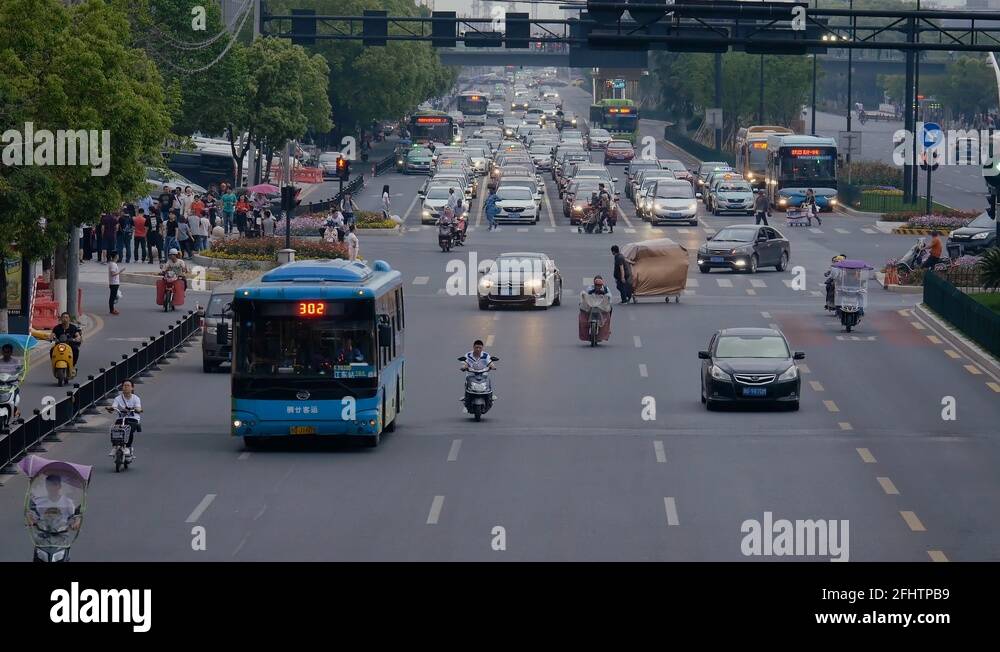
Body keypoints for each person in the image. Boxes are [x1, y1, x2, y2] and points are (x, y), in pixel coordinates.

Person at [106, 379, 142, 456]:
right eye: (124, 386)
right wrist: (110, 409)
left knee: (129, 429)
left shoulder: (136, 398)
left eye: (128, 386)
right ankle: (115, 447)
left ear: (132, 388)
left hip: (133, 418)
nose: (126, 387)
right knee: (115, 429)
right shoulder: (118, 398)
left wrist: (137, 409)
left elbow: (139, 408)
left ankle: (128, 447)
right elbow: (114, 407)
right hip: (121, 418)